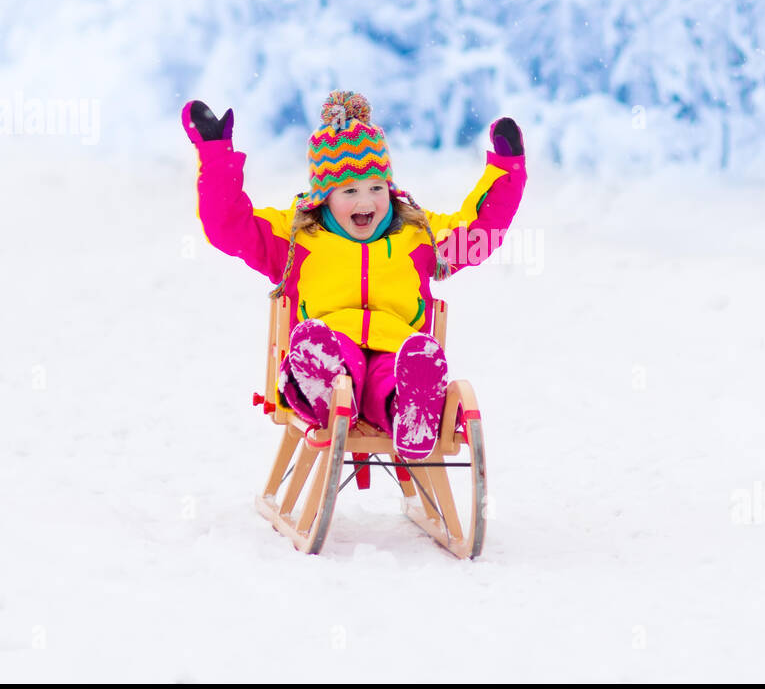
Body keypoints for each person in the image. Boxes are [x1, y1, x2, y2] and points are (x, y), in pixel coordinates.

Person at [183, 89, 527, 460]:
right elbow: (228, 226)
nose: (366, 202)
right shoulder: (297, 239)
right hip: (332, 346)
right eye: (349, 190)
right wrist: (216, 155)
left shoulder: (416, 236)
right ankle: (321, 389)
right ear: (324, 197)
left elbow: (477, 233)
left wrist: (505, 170)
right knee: (331, 356)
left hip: (394, 348)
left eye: (377, 188)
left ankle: (412, 410)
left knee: (393, 375)